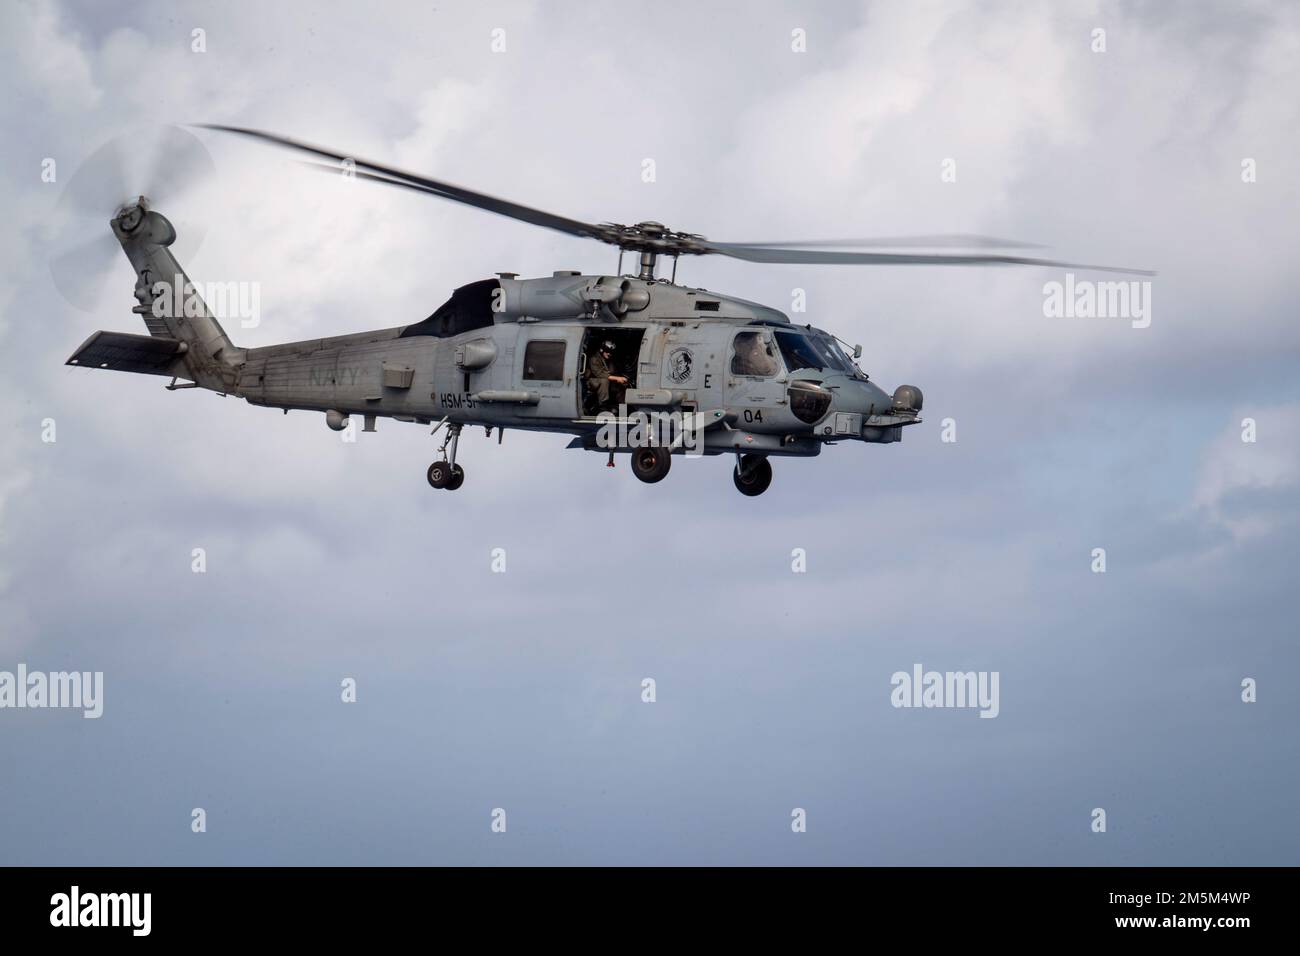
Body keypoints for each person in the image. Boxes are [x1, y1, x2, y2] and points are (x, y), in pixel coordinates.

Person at [586, 340, 627, 412]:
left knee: (620, 385)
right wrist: (617, 378)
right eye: (607, 351)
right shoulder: (594, 359)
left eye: (611, 352)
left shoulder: (609, 360)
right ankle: (602, 406)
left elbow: (612, 372)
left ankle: (622, 408)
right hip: (592, 381)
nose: (609, 354)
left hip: (605, 380)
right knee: (604, 381)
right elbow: (600, 374)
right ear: (601, 350)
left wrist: (619, 379)